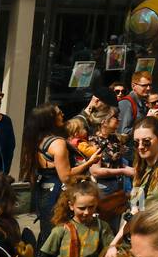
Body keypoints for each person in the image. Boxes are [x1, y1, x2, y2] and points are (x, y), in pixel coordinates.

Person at [21, 104, 101, 246]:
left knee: (47, 234)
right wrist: (89, 162)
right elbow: (66, 176)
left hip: (44, 191)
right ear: (49, 119)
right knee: (58, 235)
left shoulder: (38, 140)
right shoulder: (58, 143)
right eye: (59, 113)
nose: (62, 114)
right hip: (57, 194)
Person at [117, 71, 152, 137]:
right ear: (133, 86)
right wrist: (147, 123)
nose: (148, 88)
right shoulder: (126, 103)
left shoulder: (144, 101)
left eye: (150, 85)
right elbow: (123, 132)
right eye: (144, 85)